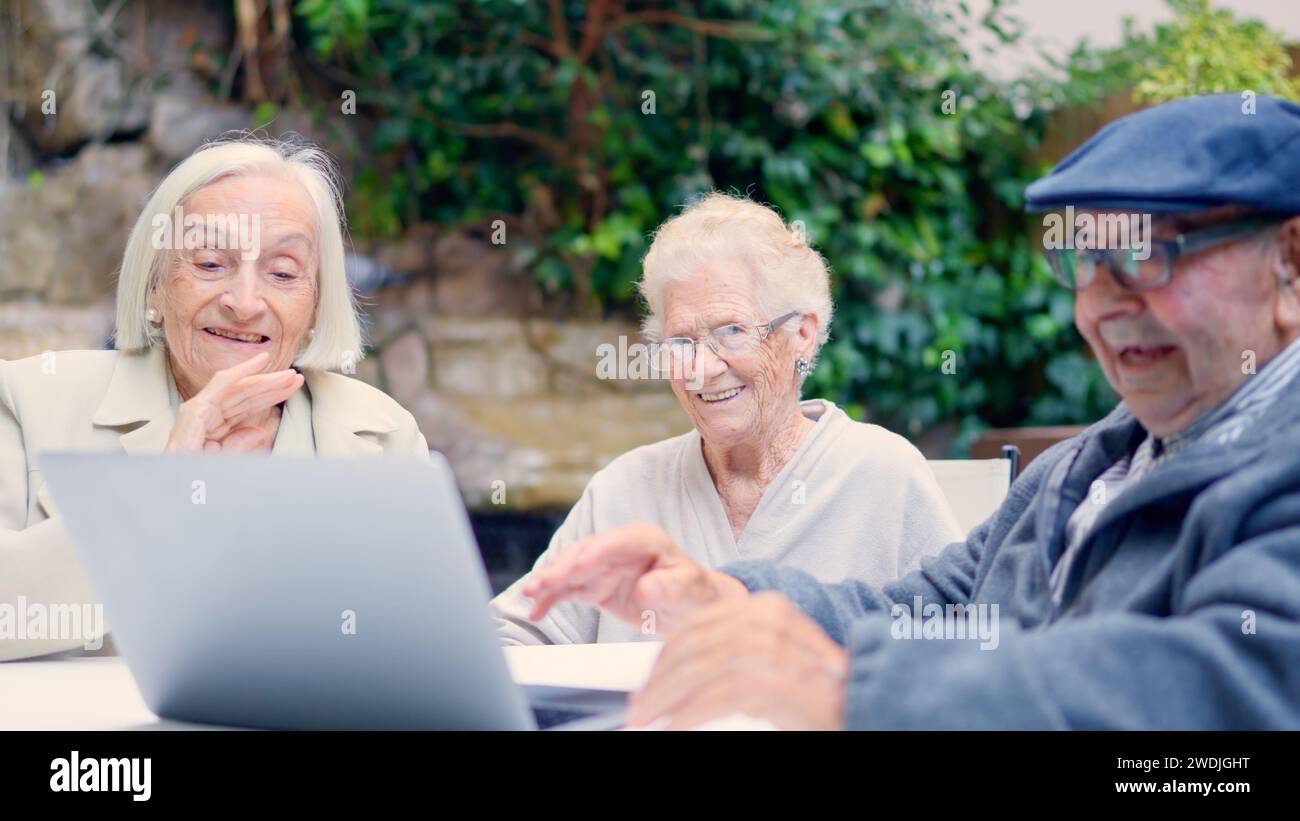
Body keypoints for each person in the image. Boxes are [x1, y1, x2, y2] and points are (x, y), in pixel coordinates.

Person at [519, 93, 1300, 728]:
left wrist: (858, 695)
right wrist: (726, 599)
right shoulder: (1082, 466)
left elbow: (1227, 703)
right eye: (1082, 261)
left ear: (1290, 260)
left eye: (1144, 253)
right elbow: (930, 610)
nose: (1100, 304)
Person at [0, 136, 428, 662]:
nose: (244, 303)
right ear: (155, 286)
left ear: (315, 304)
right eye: (209, 263)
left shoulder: (385, 434)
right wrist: (161, 493)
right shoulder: (27, 398)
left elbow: (414, 653)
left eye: (283, 273)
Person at [492, 193, 962, 644]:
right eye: (681, 342)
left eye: (731, 332)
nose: (702, 368)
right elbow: (514, 635)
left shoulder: (883, 473)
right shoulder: (626, 487)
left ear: (801, 334)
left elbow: (958, 645)